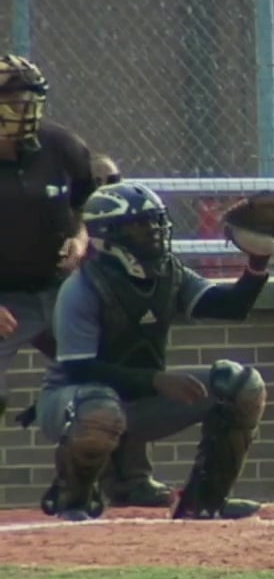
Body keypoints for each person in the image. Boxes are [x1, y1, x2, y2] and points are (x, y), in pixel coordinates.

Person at [33, 182, 273, 522]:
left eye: (156, 221)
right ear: (108, 235)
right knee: (100, 408)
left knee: (242, 385)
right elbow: (79, 369)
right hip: (69, 401)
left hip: (137, 402)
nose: (154, 232)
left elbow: (230, 306)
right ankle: (73, 500)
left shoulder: (170, 272)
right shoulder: (82, 287)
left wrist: (258, 263)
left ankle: (205, 501)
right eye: (140, 225)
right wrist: (156, 380)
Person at [17, 152, 173, 508]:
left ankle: (133, 479)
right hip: (54, 311)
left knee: (129, 375)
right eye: (96, 182)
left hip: (110, 321)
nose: (104, 188)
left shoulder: (124, 223)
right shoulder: (55, 217)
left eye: (112, 181)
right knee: (93, 392)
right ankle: (75, 480)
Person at [0, 54, 93, 424]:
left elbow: (91, 206)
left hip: (60, 289)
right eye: (11, 101)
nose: (22, 110)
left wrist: (79, 239)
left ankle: (115, 465)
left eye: (28, 100)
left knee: (108, 380)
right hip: (4, 299)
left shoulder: (61, 146)